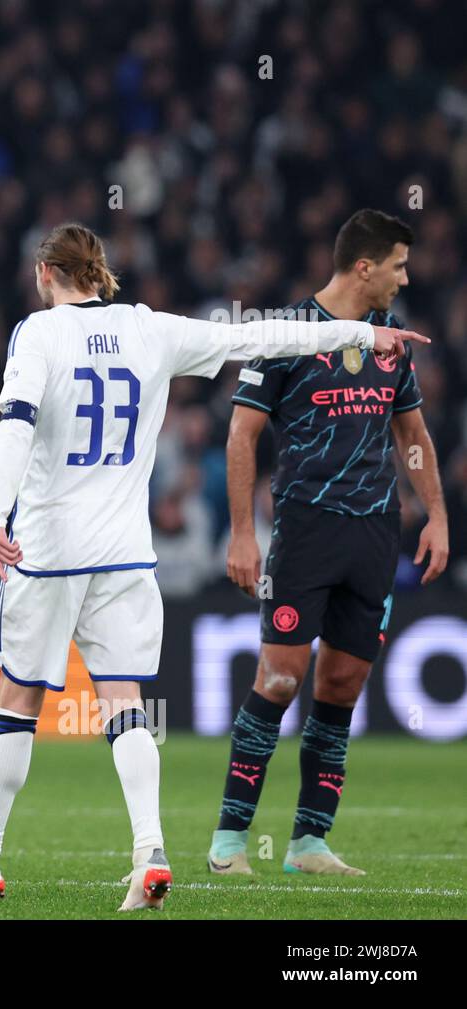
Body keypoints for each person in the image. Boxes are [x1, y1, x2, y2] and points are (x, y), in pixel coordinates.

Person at [0, 223, 426, 911]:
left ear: (47, 273)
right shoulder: (151, 329)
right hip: (124, 554)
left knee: (17, 708)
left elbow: (17, 421)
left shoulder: (37, 333)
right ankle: (150, 851)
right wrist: (356, 335)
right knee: (125, 709)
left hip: (48, 553)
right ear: (101, 273)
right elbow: (259, 336)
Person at [211, 209, 449, 876]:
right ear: (366, 266)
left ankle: (308, 842)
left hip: (374, 532)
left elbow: (413, 437)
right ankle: (230, 841)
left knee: (342, 686)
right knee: (281, 677)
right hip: (305, 530)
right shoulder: (286, 335)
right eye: (398, 265)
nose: (406, 277)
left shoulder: (387, 342)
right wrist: (241, 532)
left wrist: (436, 514)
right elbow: (242, 435)